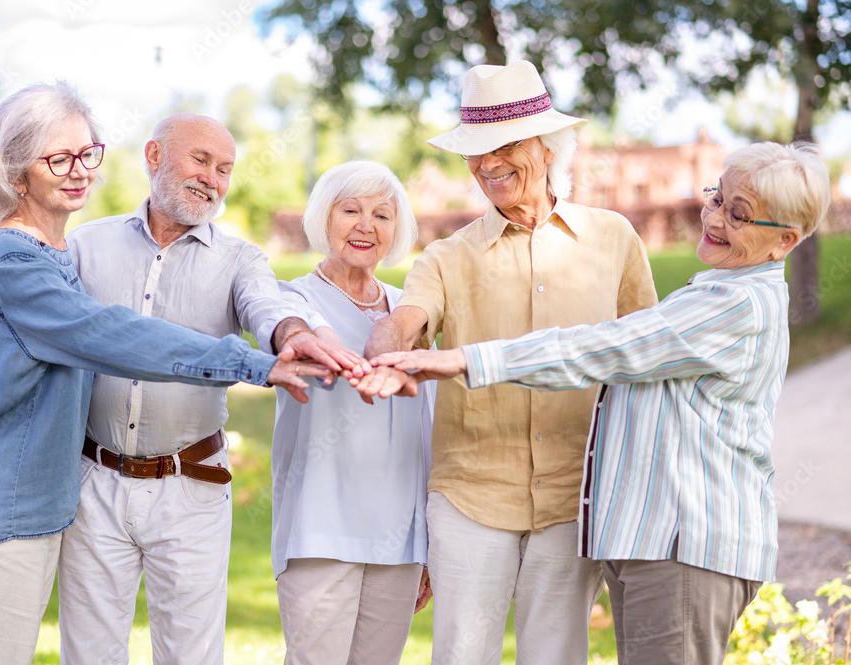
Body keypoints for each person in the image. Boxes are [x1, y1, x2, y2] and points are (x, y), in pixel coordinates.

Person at [371, 141, 831, 665]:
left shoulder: (733, 305)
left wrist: (463, 362)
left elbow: (607, 348)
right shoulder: (713, 292)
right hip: (654, 547)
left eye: (740, 214)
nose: (716, 217)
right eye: (717, 198)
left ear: (785, 242)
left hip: (685, 547)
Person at [0, 105, 363, 663]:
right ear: (154, 157)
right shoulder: (80, 244)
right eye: (201, 159)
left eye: (226, 168)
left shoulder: (240, 258)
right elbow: (95, 332)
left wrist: (288, 333)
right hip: (91, 485)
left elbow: (268, 303)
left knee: (190, 655)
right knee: (88, 654)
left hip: (193, 485)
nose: (214, 177)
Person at [355, 61, 659, 665]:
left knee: (556, 655)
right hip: (472, 493)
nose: (487, 163)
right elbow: (406, 320)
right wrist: (384, 350)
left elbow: (647, 355)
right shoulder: (446, 256)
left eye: (505, 146)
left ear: (549, 149)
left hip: (576, 493)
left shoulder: (613, 237)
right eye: (475, 151)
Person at [270, 161, 435, 665]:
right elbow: (296, 338)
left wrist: (427, 543)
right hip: (321, 526)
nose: (366, 225)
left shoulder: (411, 309)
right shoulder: (294, 299)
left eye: (382, 215)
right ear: (326, 217)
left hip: (400, 536)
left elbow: (429, 422)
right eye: (351, 210)